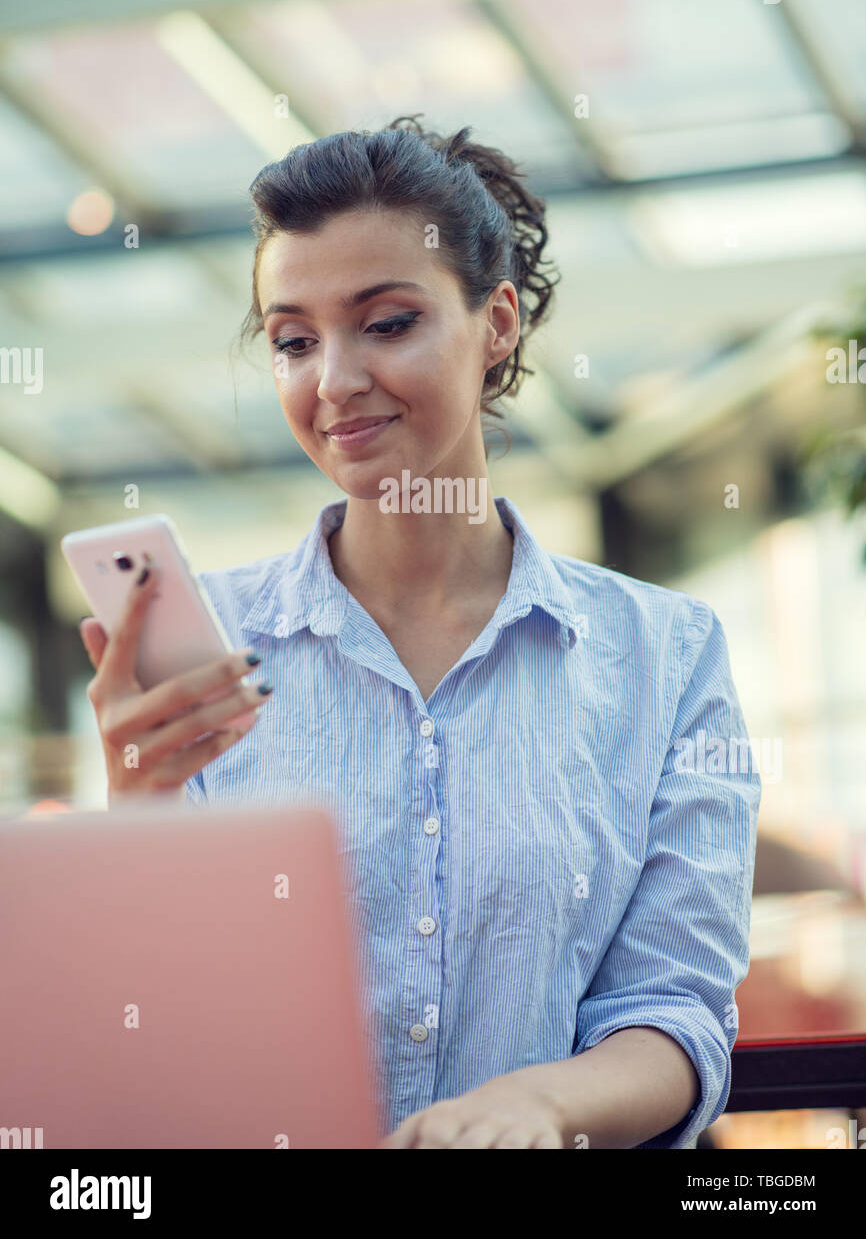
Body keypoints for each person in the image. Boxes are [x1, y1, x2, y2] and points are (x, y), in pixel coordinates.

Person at [79, 116, 762, 1150]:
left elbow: (674, 1013)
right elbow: (140, 1036)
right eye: (293, 340)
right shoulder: (208, 648)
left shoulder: (663, 657)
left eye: (386, 322)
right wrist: (138, 818)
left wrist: (538, 1102)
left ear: (495, 323)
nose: (333, 381)